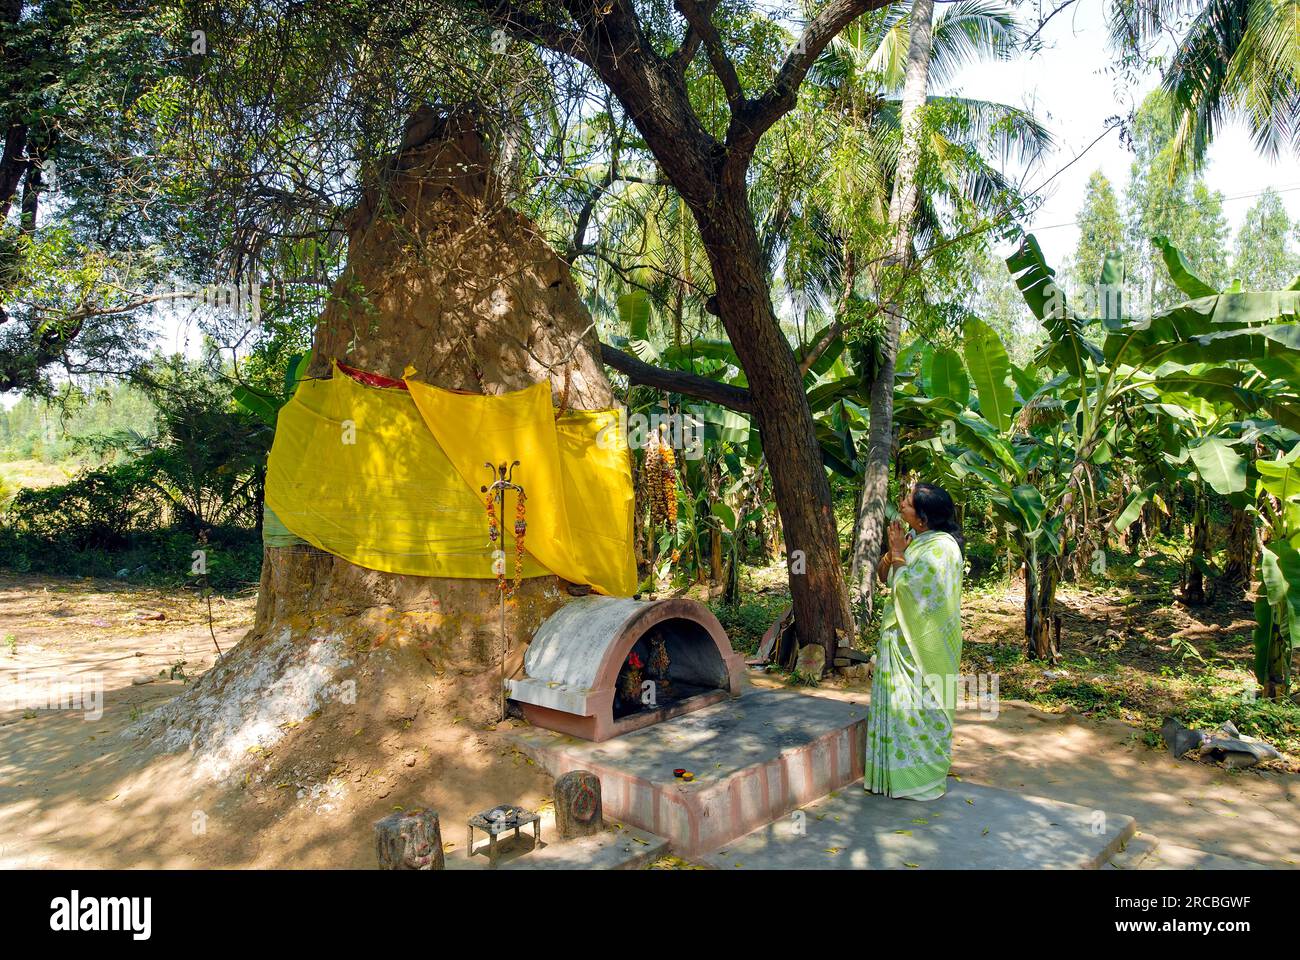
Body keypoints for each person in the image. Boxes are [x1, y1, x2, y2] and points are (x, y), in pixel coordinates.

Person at [864, 482, 965, 801]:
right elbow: (887, 578)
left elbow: (911, 590)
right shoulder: (918, 540)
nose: (901, 503)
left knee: (921, 707)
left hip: (921, 646)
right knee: (900, 709)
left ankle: (920, 778)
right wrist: (894, 551)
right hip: (900, 639)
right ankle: (894, 775)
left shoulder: (942, 547)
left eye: (907, 501)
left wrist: (897, 554)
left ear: (922, 516)